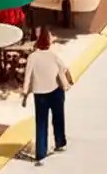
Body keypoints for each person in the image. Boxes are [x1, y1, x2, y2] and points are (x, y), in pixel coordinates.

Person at [22, 27, 72, 166]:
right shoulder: (53, 55)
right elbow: (64, 68)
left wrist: (25, 94)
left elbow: (27, 77)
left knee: (41, 123)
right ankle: (60, 142)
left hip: (40, 94)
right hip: (56, 91)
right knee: (58, 118)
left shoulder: (32, 57)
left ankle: (40, 154)